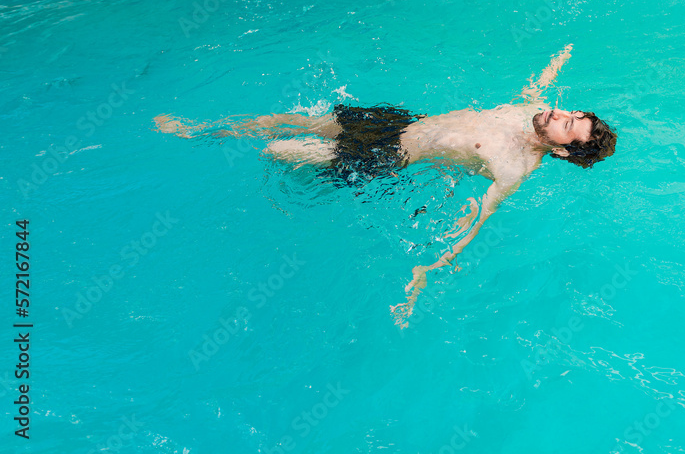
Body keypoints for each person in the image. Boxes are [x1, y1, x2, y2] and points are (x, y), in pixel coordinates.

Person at [154, 44, 617, 326]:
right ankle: (201, 130)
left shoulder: (514, 168)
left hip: (387, 157)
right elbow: (535, 89)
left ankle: (263, 158)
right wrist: (558, 61)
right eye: (571, 112)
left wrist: (424, 275)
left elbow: (476, 222)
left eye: (567, 126)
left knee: (277, 151)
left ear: (560, 150)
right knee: (295, 121)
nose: (560, 114)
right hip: (398, 124)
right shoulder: (532, 112)